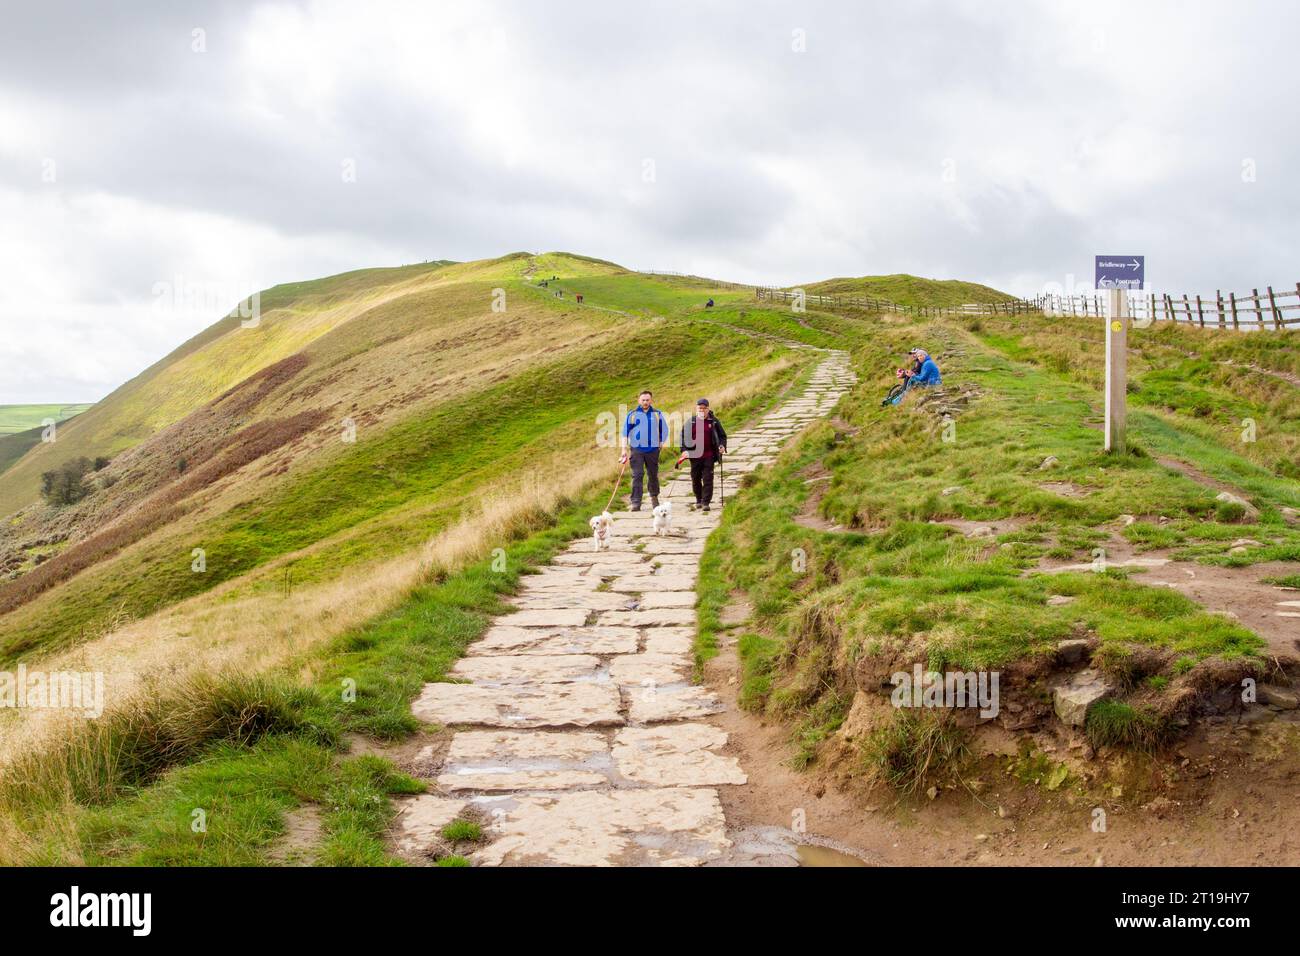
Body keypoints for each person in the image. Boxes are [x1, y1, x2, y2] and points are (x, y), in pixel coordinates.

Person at [621, 390, 669, 511]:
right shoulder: (632, 415)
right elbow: (625, 433)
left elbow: (665, 430)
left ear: (651, 400)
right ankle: (636, 502)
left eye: (647, 400)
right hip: (637, 449)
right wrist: (623, 449)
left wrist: (661, 442)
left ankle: (654, 498)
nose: (645, 402)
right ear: (639, 400)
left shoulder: (657, 414)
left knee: (652, 474)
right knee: (637, 475)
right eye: (643, 400)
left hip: (653, 450)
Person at [678, 398, 727, 512]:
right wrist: (684, 450)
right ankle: (698, 500)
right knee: (695, 479)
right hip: (694, 456)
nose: (702, 410)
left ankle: (706, 502)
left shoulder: (713, 421)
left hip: (709, 455)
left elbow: (722, 436)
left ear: (708, 409)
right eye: (700, 408)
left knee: (708, 479)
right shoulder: (691, 422)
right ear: (696, 409)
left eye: (704, 408)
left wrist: (722, 446)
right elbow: (682, 437)